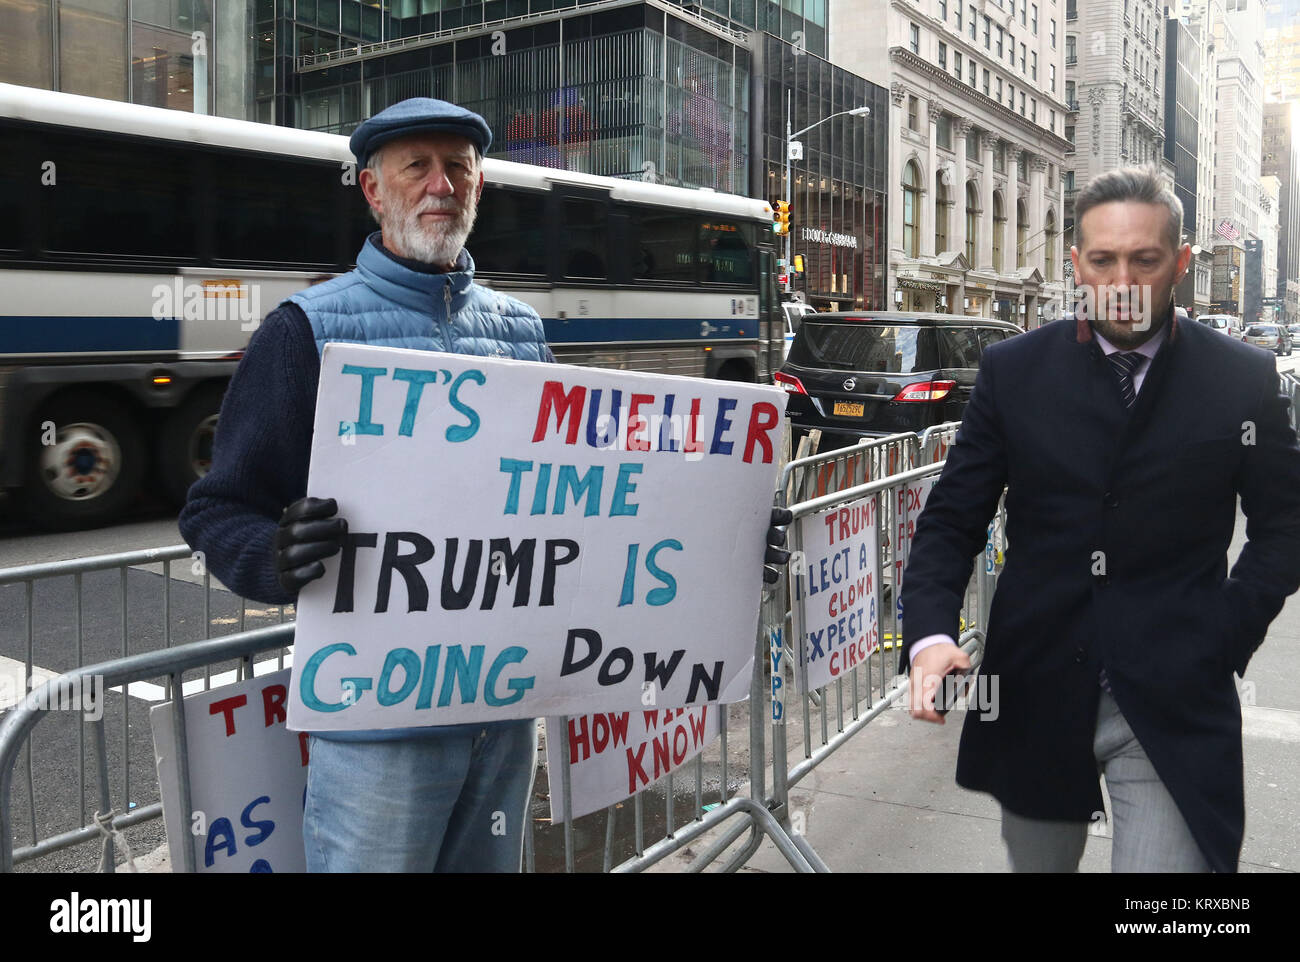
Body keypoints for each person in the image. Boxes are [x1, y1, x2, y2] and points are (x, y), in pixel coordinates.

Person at [180, 97, 790, 872]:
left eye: (458, 169)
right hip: (377, 738)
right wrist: (272, 554)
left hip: (503, 724)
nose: (441, 185)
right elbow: (218, 509)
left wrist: (724, 533)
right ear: (372, 190)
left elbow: (594, 501)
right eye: (417, 166)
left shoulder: (520, 332)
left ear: (478, 186)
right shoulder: (305, 330)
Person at [899, 166, 1300, 873]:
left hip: (1174, 702)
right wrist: (930, 635)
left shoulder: (1241, 378)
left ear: (1180, 262)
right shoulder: (1013, 371)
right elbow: (952, 519)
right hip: (1036, 690)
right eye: (1103, 259)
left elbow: (1286, 523)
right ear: (1076, 262)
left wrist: (1228, 631)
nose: (1122, 280)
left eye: (1145, 260)